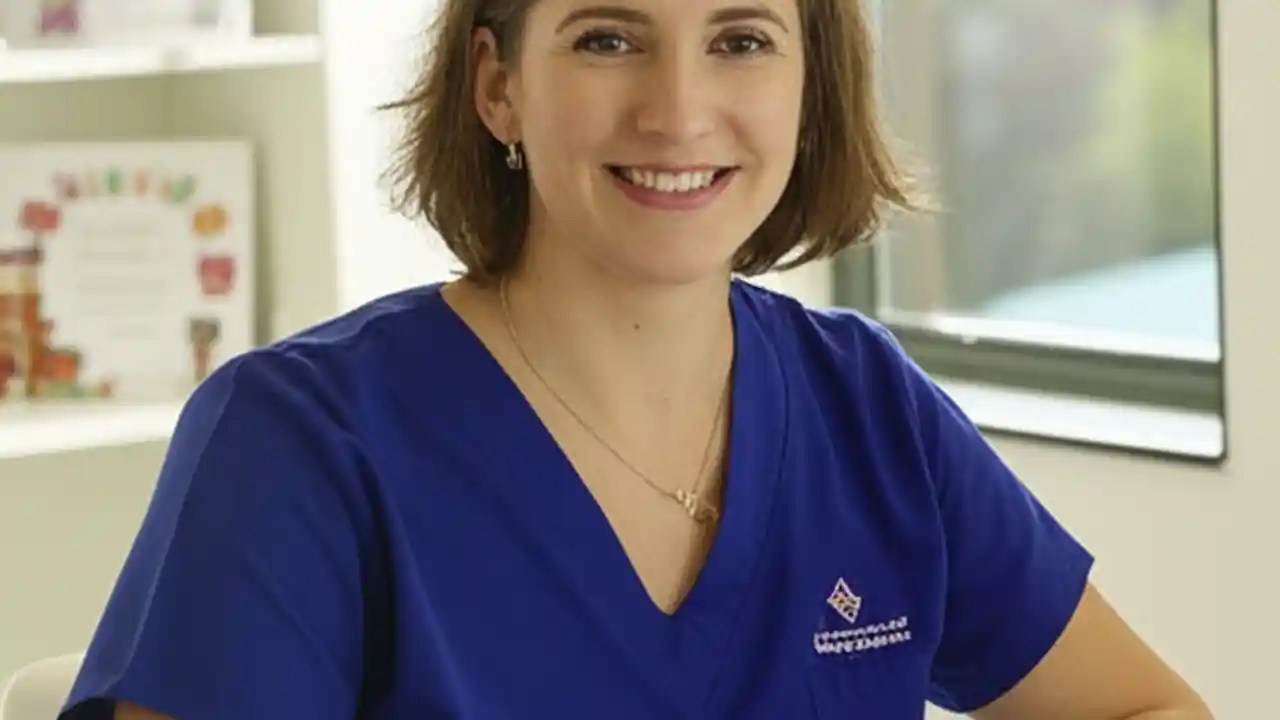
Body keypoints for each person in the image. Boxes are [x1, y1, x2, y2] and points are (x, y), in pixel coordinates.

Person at [60, 0, 1212, 718]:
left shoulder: (866, 410)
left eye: (740, 40)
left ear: (808, 84)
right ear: (497, 85)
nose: (678, 109)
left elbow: (1146, 706)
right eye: (607, 38)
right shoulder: (300, 440)